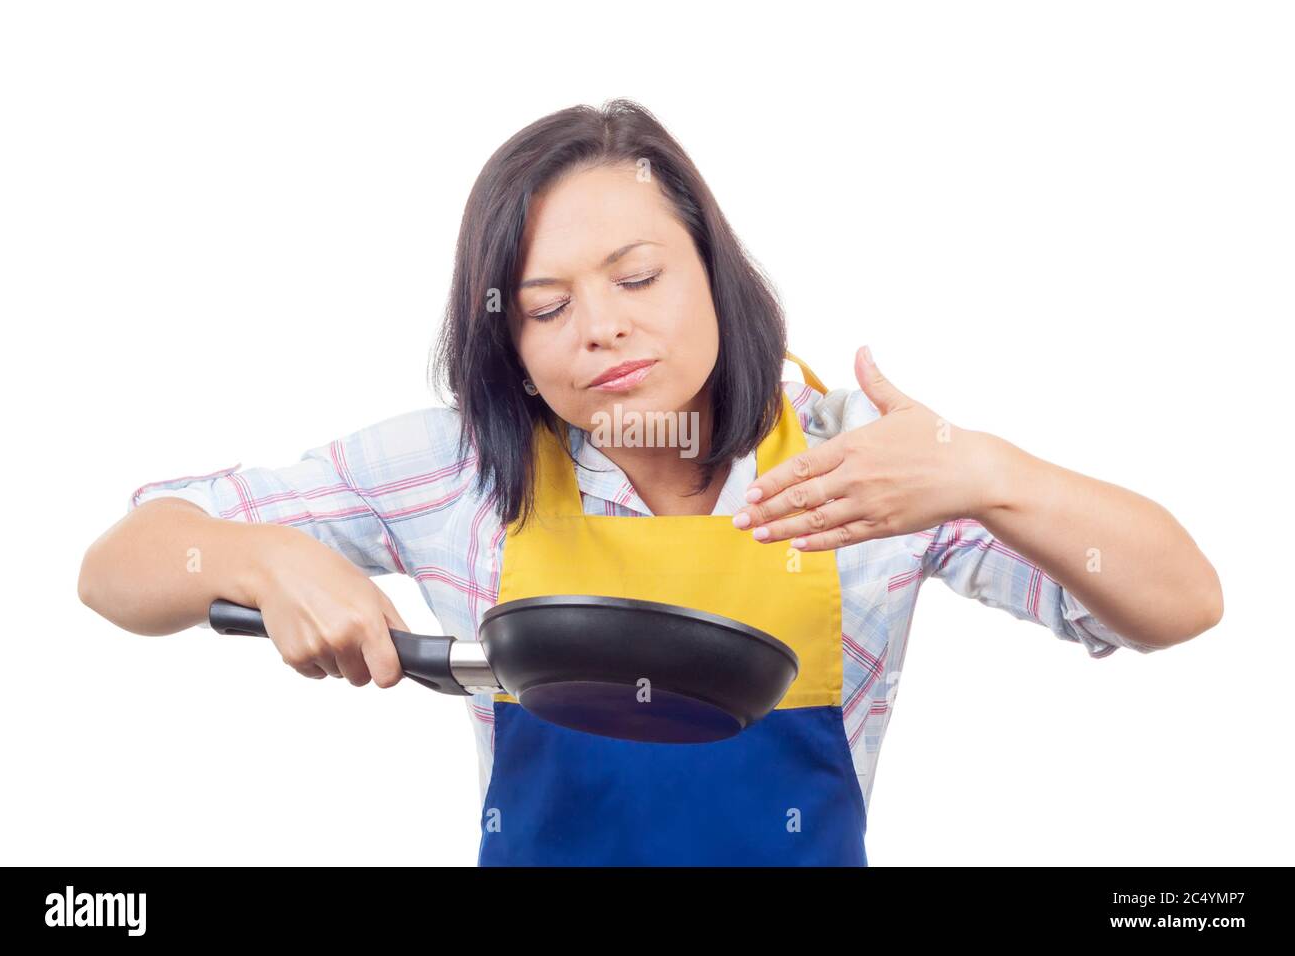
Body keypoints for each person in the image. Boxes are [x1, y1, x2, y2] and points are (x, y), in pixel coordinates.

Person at [78, 98, 1224, 866]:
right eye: (545, 306)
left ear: (714, 272)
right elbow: (121, 565)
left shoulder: (863, 466)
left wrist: (990, 473)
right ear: (507, 342)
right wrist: (249, 553)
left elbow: (1179, 601)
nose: (603, 331)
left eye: (638, 275)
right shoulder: (459, 472)